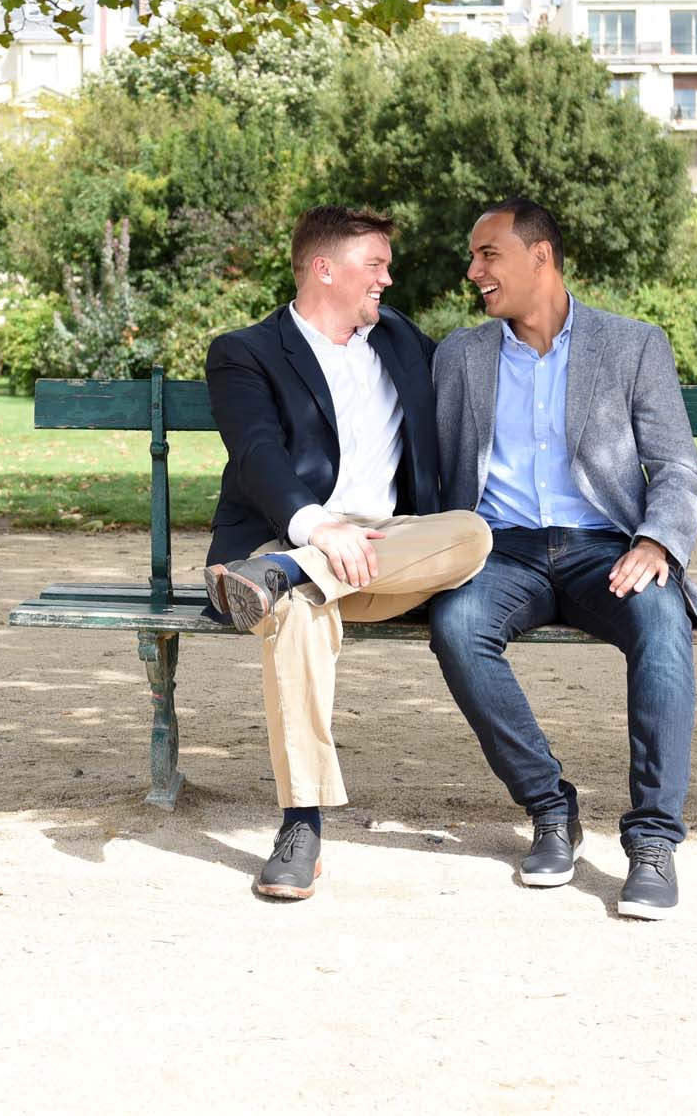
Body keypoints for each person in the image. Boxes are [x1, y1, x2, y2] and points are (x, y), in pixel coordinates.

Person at [429, 196, 697, 920]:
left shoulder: (631, 345)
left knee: (662, 623)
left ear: (541, 257)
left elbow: (679, 467)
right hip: (501, 551)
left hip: (606, 549)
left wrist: (657, 540)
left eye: (488, 254)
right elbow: (435, 470)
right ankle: (549, 805)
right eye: (473, 257)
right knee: (457, 625)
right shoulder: (460, 356)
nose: (474, 271)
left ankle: (653, 840)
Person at [202, 205, 493, 901]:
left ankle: (278, 577)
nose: (387, 279)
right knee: (298, 611)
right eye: (376, 265)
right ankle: (301, 824)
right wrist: (314, 528)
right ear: (323, 269)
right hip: (296, 537)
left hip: (396, 552)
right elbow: (257, 453)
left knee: (472, 535)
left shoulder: (402, 343)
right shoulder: (245, 352)